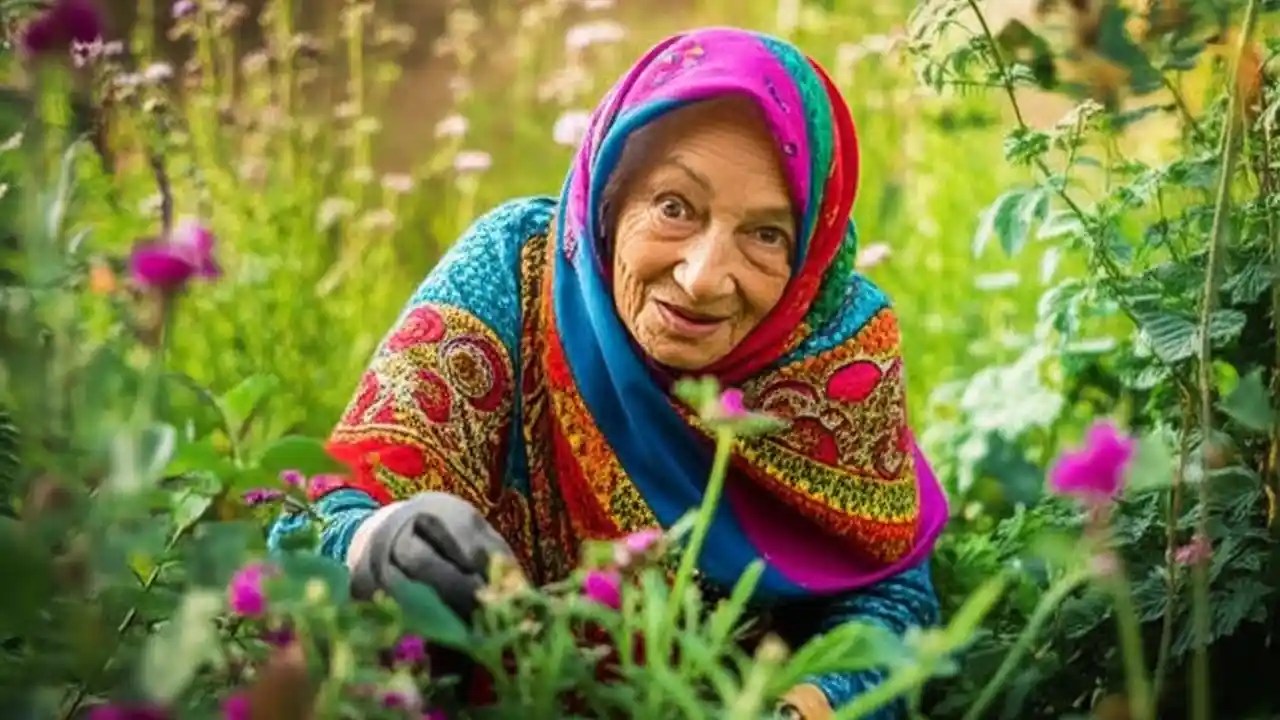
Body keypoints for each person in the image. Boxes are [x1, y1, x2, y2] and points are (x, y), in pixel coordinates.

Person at [270, 26, 948, 719]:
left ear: (809, 251)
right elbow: (315, 520)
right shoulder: (511, 272)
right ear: (610, 195)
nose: (704, 277)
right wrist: (376, 541)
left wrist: (796, 708)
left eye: (765, 234)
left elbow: (889, 597)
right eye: (674, 207)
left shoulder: (831, 355)